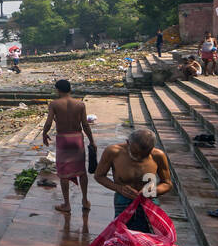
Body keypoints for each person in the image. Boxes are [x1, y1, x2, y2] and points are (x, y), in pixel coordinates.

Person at [93, 128, 173, 234]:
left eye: (144, 155)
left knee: (151, 236)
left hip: (149, 201)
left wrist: (153, 190)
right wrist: (119, 188)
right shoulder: (113, 152)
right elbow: (99, 176)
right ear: (128, 143)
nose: (138, 157)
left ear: (152, 149)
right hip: (123, 199)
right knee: (123, 235)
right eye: (135, 153)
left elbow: (167, 183)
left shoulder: (158, 155)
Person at [41, 79, 96, 213]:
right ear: (70, 89)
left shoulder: (54, 104)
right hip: (77, 139)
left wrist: (44, 134)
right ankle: (85, 200)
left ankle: (67, 204)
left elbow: (48, 123)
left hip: (63, 139)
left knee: (64, 173)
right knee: (81, 171)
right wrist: (92, 141)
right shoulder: (80, 104)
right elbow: (85, 125)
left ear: (58, 90)